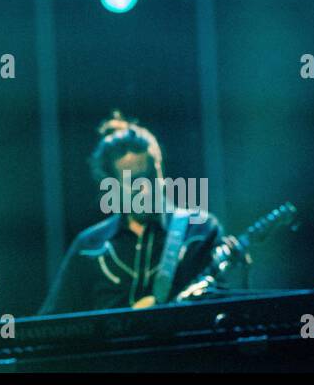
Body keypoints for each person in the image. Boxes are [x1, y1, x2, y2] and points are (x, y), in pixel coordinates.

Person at [39, 112, 247, 314]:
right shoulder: (89, 246)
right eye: (134, 182)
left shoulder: (200, 231)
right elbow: (52, 323)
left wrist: (239, 278)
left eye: (151, 177)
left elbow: (226, 312)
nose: (146, 190)